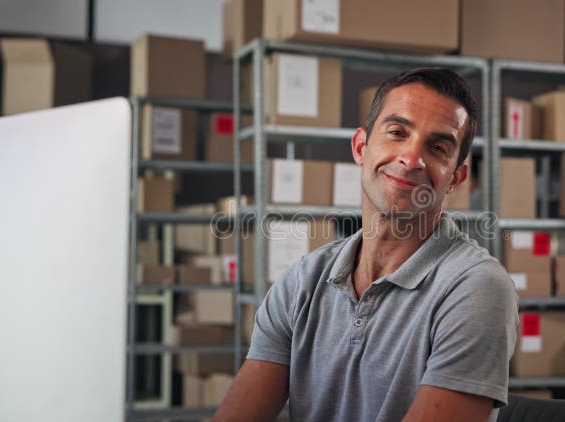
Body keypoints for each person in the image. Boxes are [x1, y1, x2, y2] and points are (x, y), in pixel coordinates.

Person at [213, 67, 518, 422]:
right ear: (361, 147)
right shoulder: (302, 283)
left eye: (437, 148)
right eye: (397, 132)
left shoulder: (476, 288)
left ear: (456, 178)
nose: (411, 159)